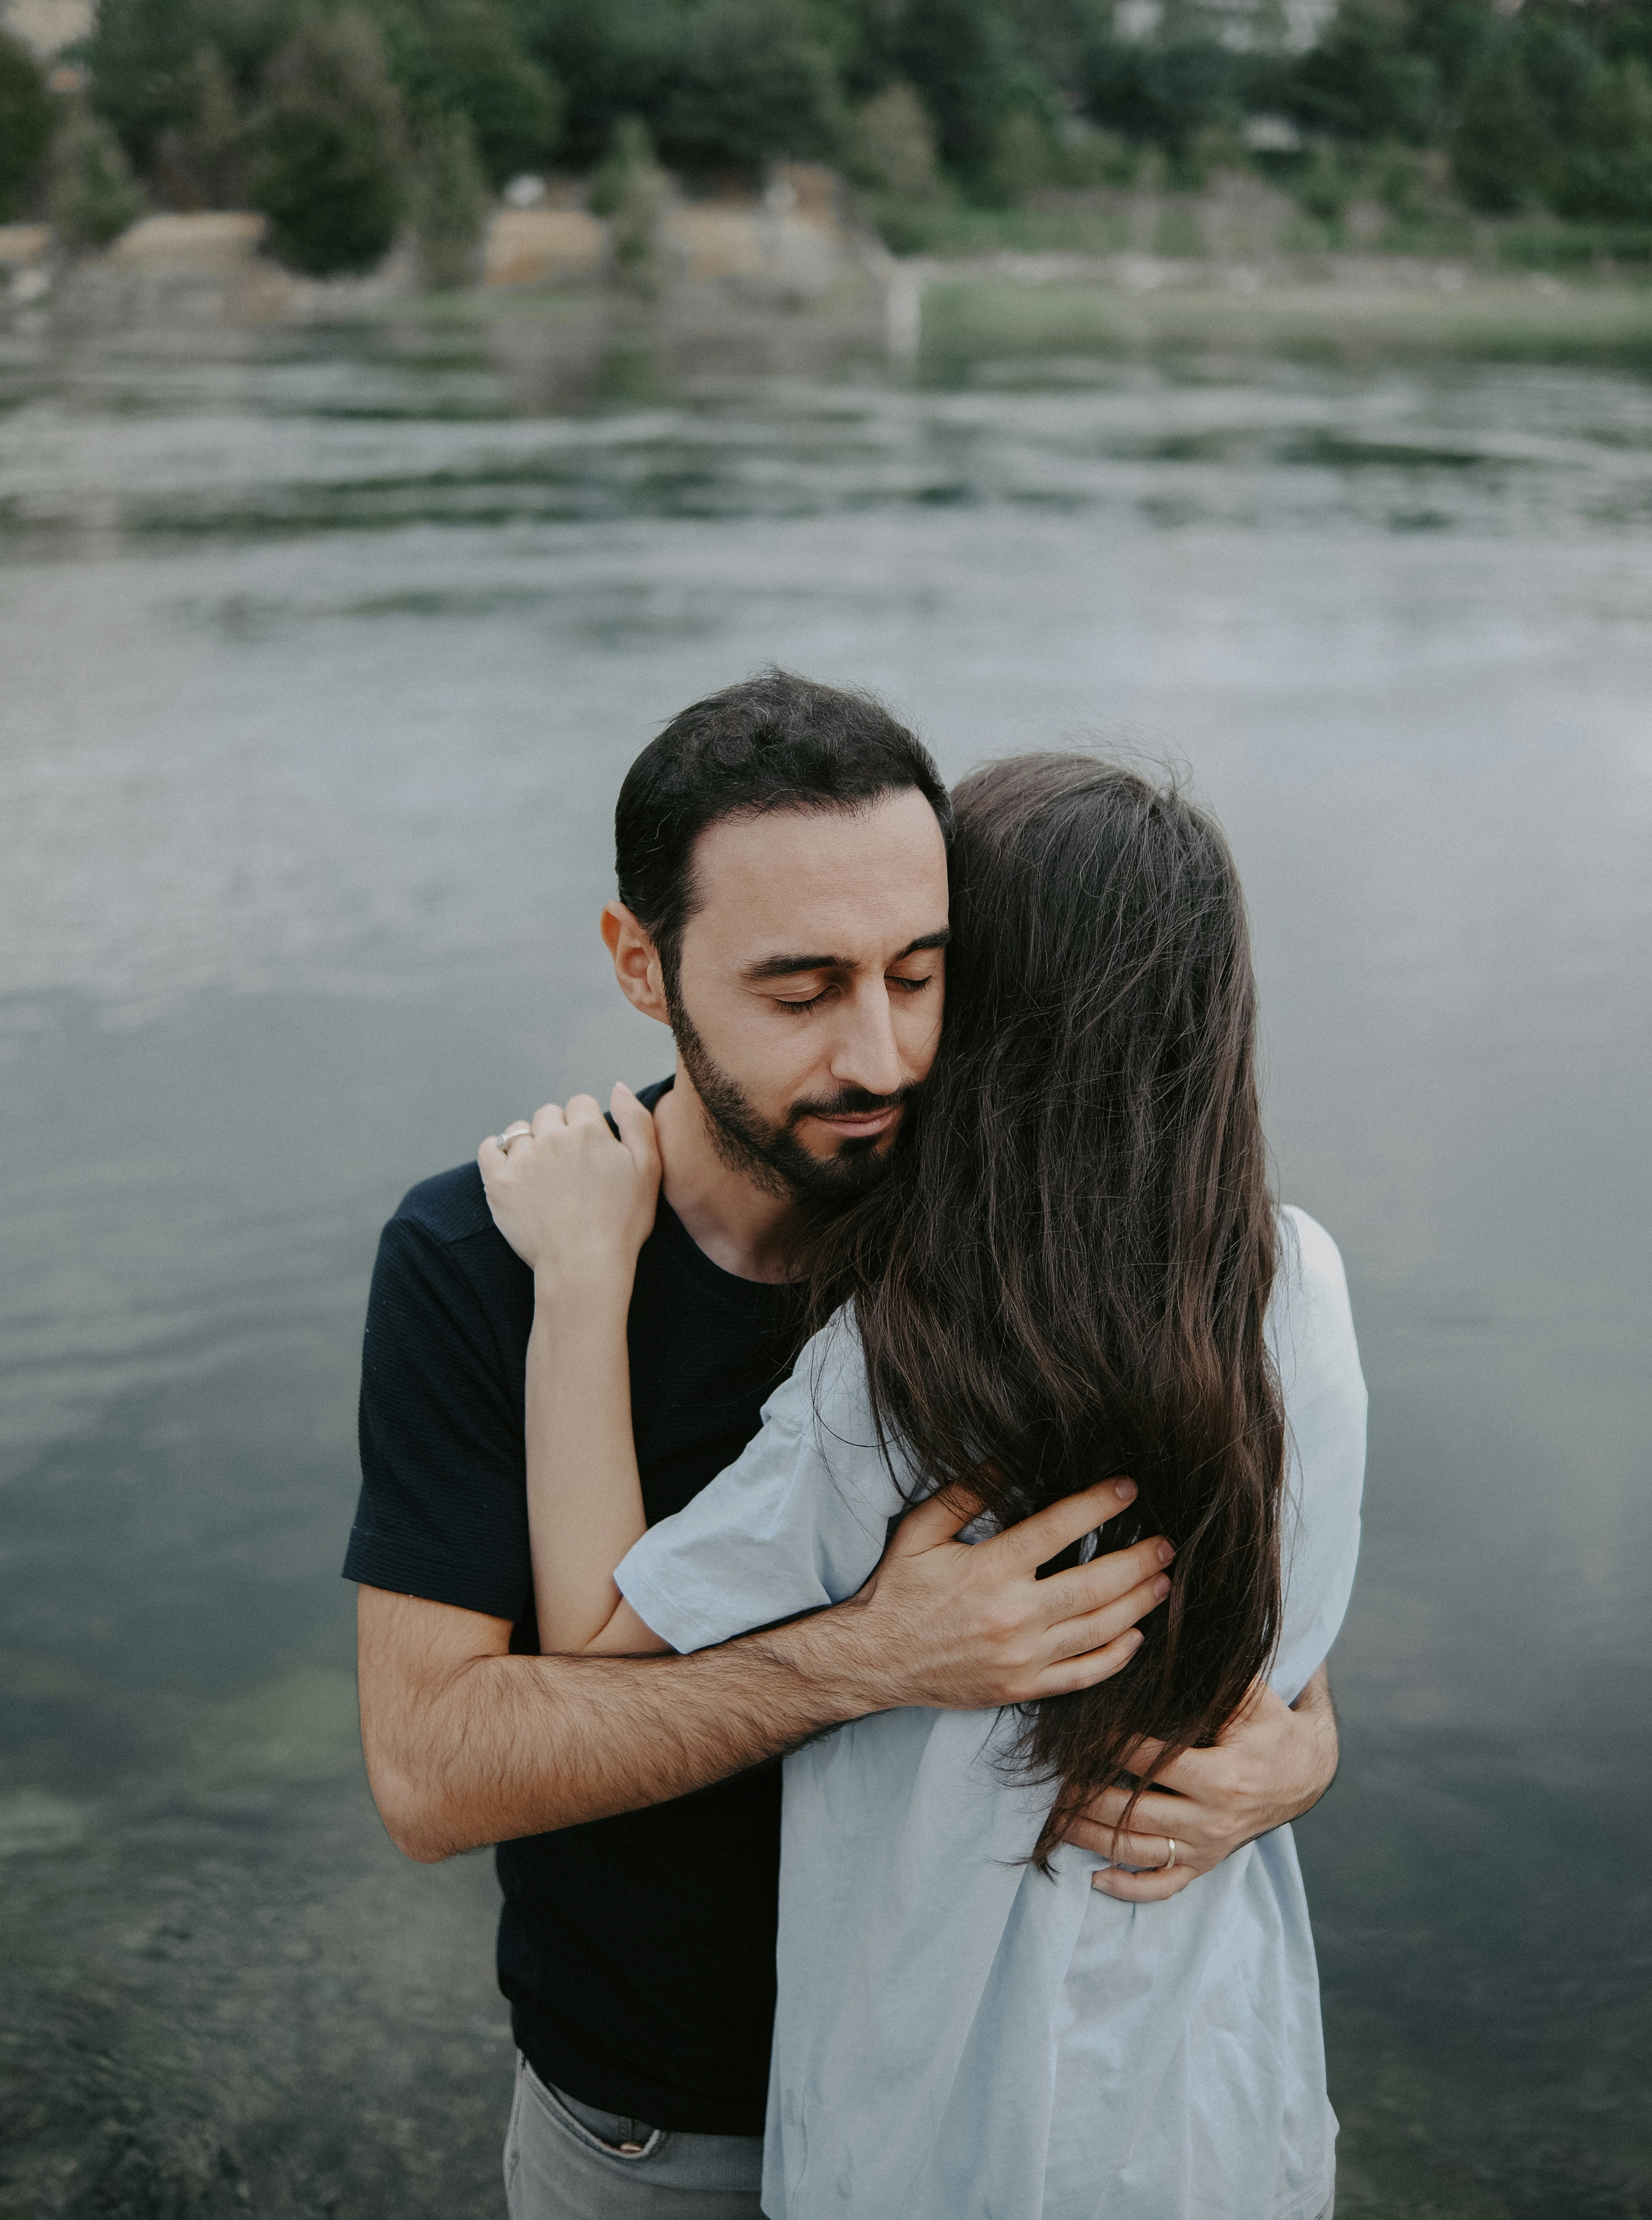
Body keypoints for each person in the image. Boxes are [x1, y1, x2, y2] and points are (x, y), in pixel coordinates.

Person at [346, 676, 1343, 2220]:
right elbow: (430, 1776)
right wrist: (872, 1654)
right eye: (801, 991)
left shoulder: (1018, 1243)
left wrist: (1297, 1747)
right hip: (653, 2134)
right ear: (639, 963)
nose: (877, 1057)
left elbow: (1236, 1562)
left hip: (997, 2100)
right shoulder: (485, 1257)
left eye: (919, 976)